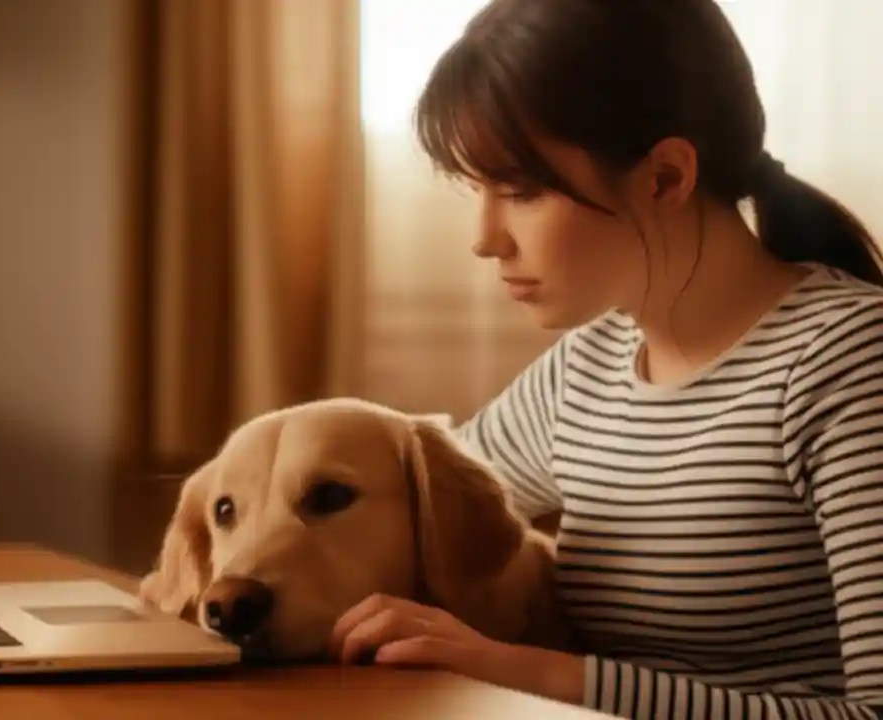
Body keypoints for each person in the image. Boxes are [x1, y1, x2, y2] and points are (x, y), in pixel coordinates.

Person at [326, 1, 883, 719]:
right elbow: (414, 504)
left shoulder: (847, 364)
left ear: (665, 178)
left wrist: (525, 672)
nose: (484, 238)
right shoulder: (583, 371)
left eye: (520, 192)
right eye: (477, 191)